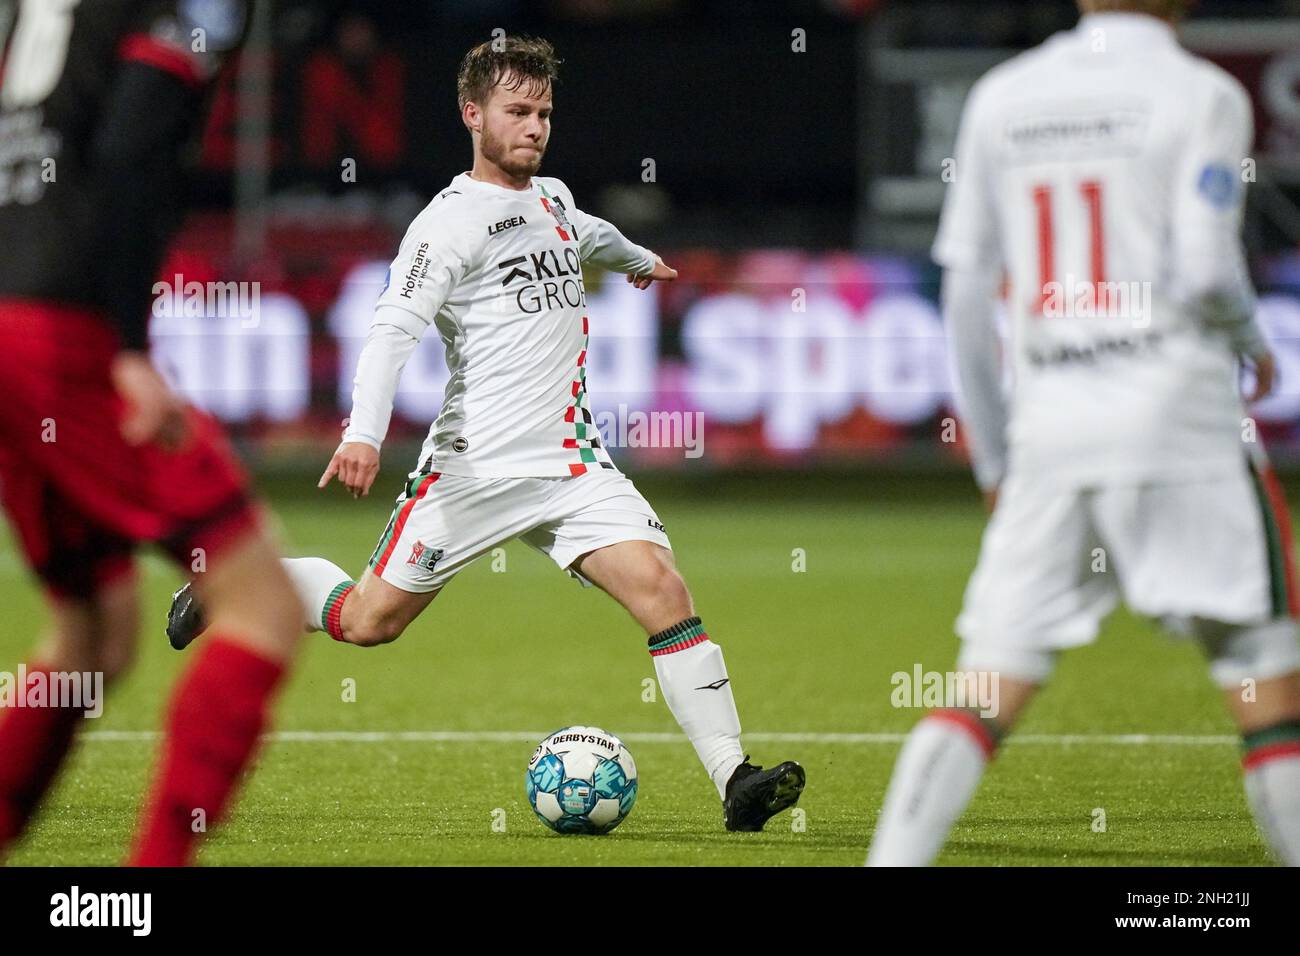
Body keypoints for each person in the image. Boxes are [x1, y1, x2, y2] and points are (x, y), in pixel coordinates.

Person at [169, 35, 805, 831]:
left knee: (663, 591)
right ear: (473, 116)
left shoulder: (554, 199)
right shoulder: (446, 227)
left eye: (543, 113)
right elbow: (393, 328)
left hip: (573, 466)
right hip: (473, 471)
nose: (535, 128)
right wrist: (363, 432)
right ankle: (234, 586)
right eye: (517, 112)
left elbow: (590, 231)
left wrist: (639, 258)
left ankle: (735, 781)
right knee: (370, 622)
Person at [867, 0, 1300, 866]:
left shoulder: (1004, 95)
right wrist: (1253, 344)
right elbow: (1209, 265)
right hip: (1183, 430)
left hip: (1053, 436)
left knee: (981, 691)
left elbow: (964, 299)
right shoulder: (1202, 93)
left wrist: (995, 457)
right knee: (1267, 686)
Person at [0, 0, 306, 866]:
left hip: (8, 315)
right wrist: (130, 348)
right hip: (62, 332)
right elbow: (132, 147)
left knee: (94, 633)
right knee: (263, 607)